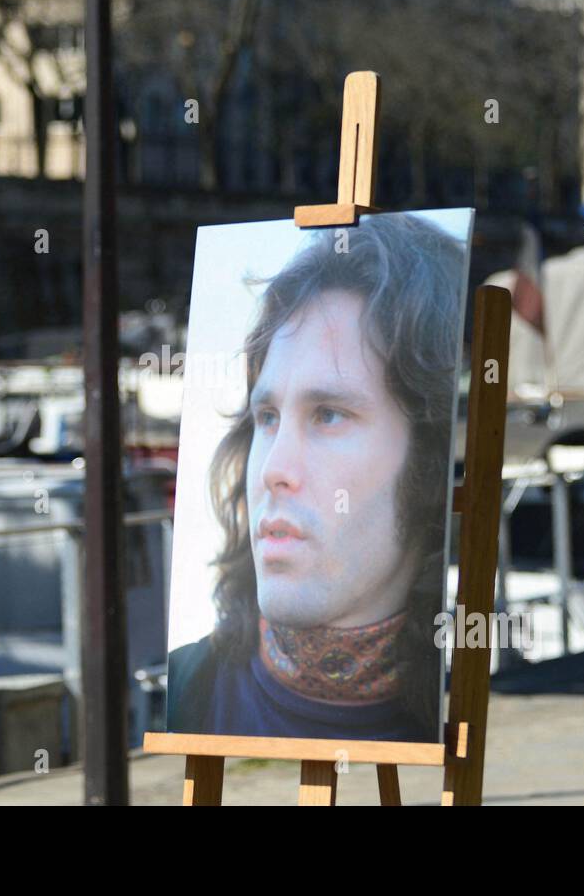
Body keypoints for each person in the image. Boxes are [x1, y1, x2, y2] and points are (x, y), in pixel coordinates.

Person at [168, 212, 465, 741]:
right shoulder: (188, 693)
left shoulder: (455, 706)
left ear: (429, 460)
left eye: (328, 415)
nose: (275, 472)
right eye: (268, 418)